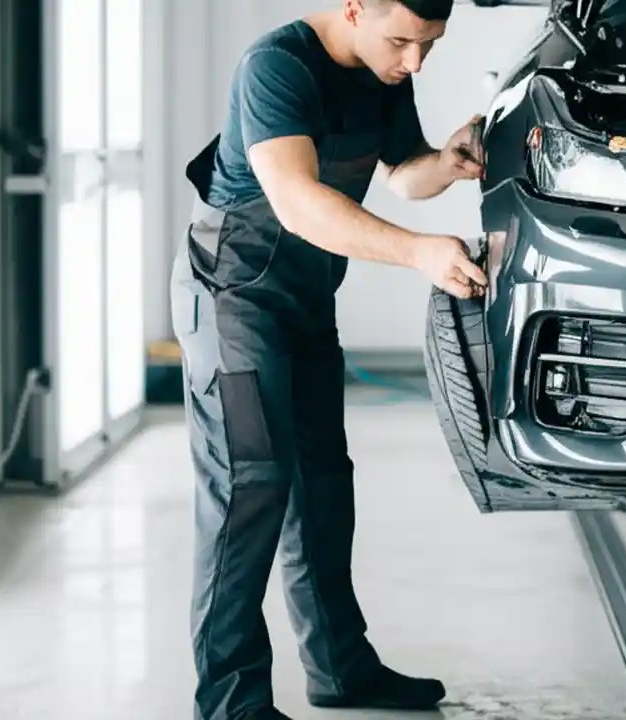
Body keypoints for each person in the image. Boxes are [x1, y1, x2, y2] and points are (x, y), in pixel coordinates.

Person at [169, 1, 488, 718]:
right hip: (234, 294)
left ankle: (341, 670)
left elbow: (403, 171)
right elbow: (298, 203)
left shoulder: (387, 69)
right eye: (403, 40)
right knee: (250, 487)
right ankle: (230, 706)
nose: (413, 62)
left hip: (306, 294)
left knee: (321, 482)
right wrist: (417, 252)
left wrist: (448, 162)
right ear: (352, 7)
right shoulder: (277, 66)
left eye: (430, 46)